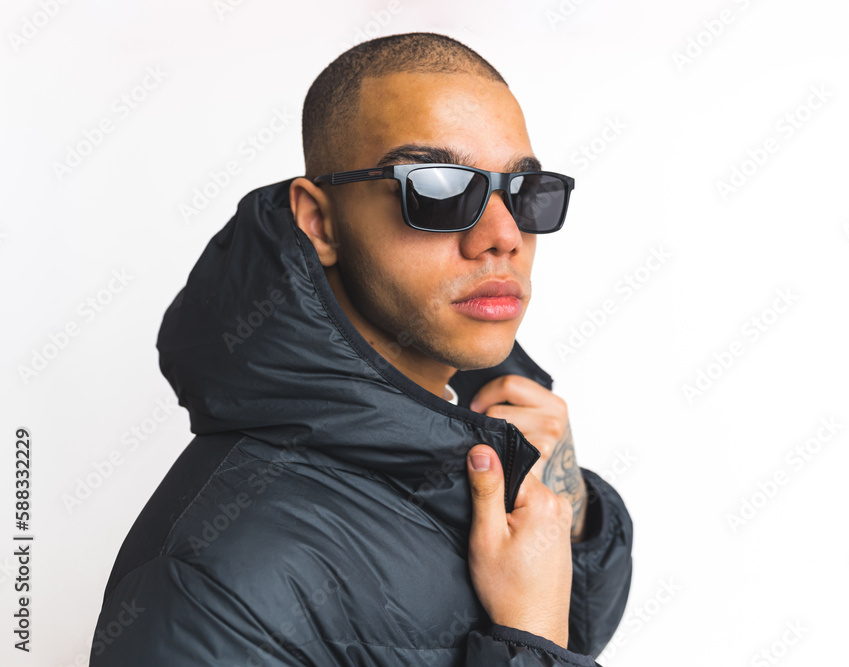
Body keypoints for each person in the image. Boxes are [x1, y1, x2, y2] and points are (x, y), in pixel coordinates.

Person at [89, 32, 633, 666]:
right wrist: (530, 636)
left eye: (523, 192)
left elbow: (581, 626)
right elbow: (549, 631)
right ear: (319, 221)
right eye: (436, 186)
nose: (504, 235)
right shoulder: (210, 587)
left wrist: (566, 501)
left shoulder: (486, 437)